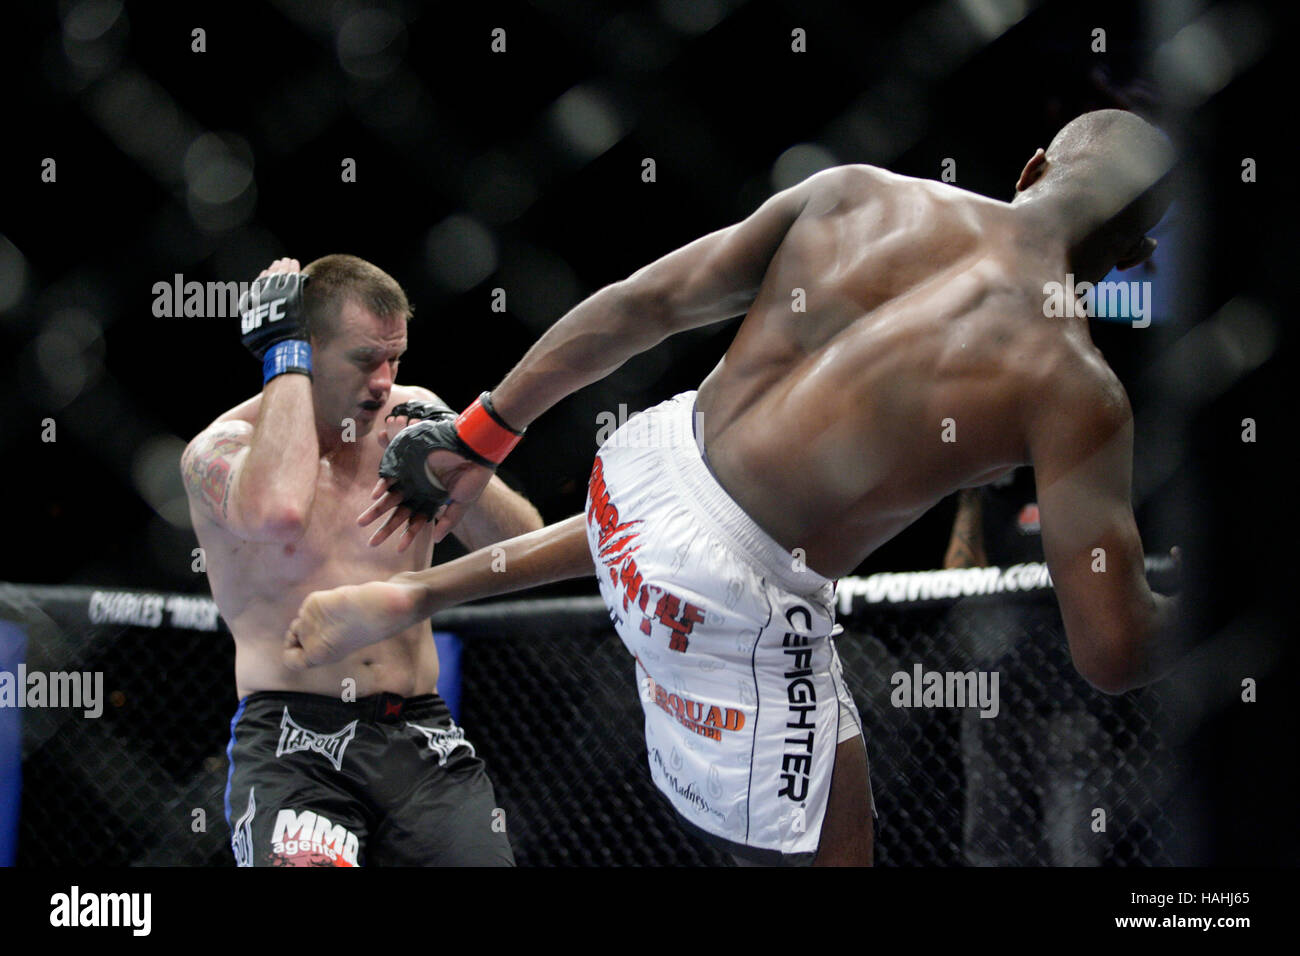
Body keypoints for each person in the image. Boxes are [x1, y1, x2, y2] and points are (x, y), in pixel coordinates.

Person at [286, 110, 1182, 866]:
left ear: (1033, 168)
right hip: (726, 603)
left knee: (705, 518)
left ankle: (414, 592)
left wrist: (479, 435)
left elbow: (641, 303)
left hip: (638, 473)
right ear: (1138, 250)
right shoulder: (1075, 388)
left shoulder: (857, 192)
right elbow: (1109, 650)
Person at [181, 254, 542, 866]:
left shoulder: (410, 417)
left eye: (393, 358)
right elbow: (278, 513)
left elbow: (518, 549)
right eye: (363, 359)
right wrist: (281, 358)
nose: (383, 380)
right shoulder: (220, 449)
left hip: (421, 736)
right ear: (307, 348)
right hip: (292, 742)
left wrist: (469, 467)